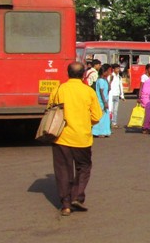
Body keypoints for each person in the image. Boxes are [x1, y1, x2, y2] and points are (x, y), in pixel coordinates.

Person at [48, 61, 103, 216]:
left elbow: (49, 109)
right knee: (84, 167)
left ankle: (65, 205)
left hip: (60, 137)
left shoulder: (59, 89)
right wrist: (85, 122)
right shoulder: (88, 91)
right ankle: (77, 196)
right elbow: (96, 116)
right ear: (83, 74)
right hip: (82, 137)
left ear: (68, 73)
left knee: (63, 170)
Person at [92, 64, 112, 138]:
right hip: (101, 102)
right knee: (101, 117)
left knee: (105, 118)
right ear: (104, 72)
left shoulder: (104, 80)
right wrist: (105, 102)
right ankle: (98, 132)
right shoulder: (100, 81)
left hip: (105, 101)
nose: (109, 73)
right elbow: (101, 92)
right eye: (108, 71)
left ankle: (104, 131)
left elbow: (109, 89)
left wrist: (109, 81)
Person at [139, 63, 150, 135]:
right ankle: (144, 127)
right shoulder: (143, 76)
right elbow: (141, 87)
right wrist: (139, 96)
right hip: (145, 96)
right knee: (147, 113)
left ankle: (148, 127)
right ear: (146, 69)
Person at [109, 62, 124, 129]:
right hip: (111, 94)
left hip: (117, 95)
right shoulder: (111, 76)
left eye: (118, 68)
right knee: (111, 110)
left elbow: (121, 86)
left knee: (115, 110)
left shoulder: (119, 77)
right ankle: (109, 123)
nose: (118, 70)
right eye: (117, 68)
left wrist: (122, 95)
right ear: (113, 69)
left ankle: (114, 123)